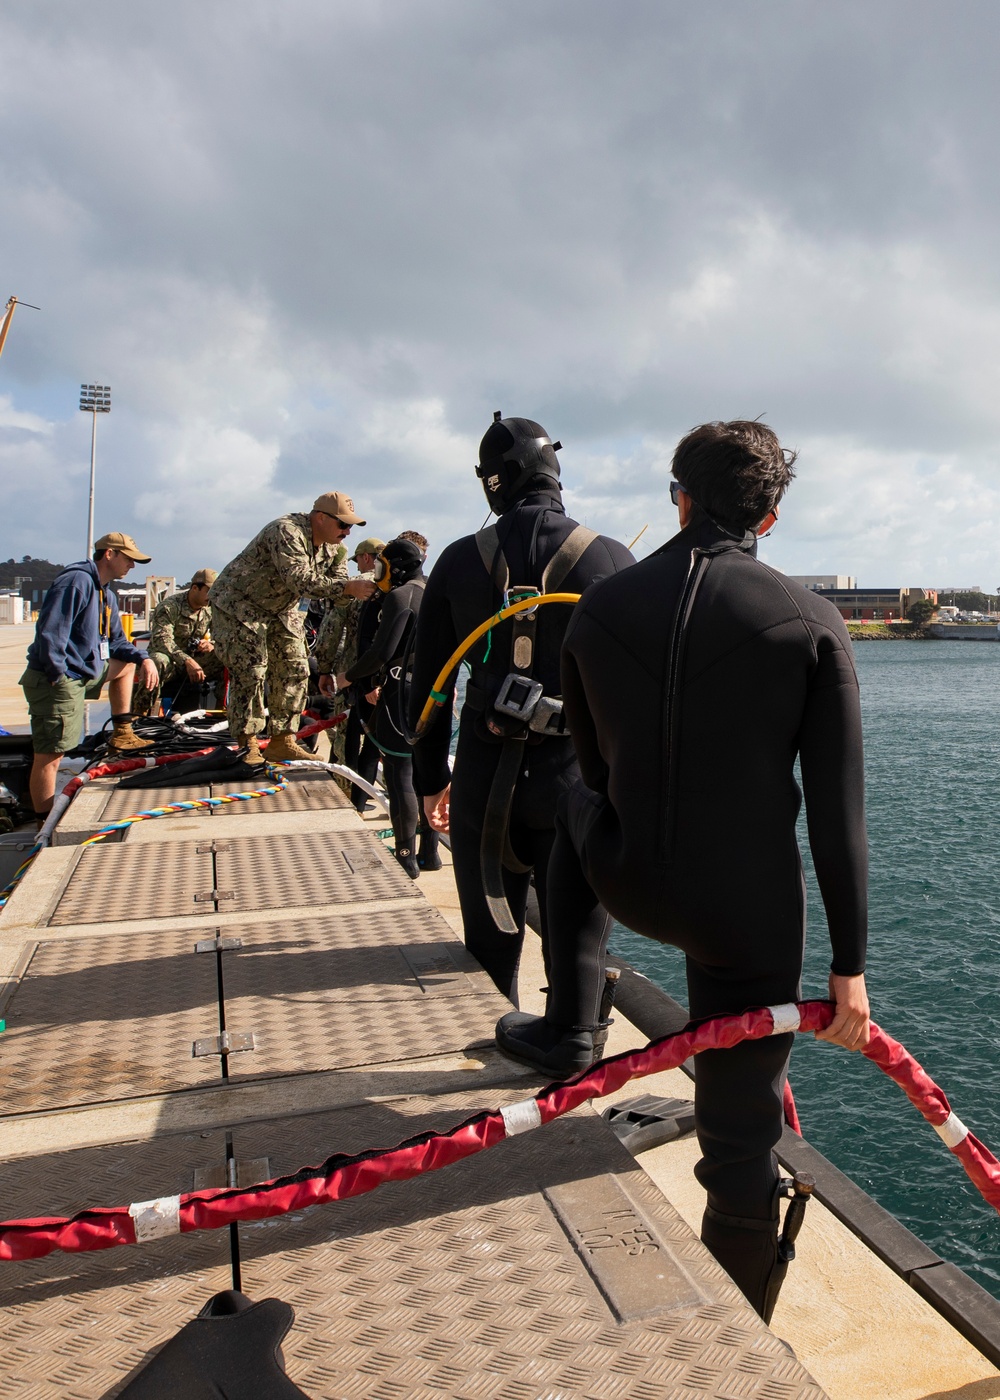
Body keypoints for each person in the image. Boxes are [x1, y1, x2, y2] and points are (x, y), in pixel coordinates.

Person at [495, 419, 871, 1321]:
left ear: (680, 496)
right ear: (771, 519)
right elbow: (835, 818)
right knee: (739, 1133)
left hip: (621, 875)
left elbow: (591, 767)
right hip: (738, 917)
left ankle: (570, 1019)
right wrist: (848, 972)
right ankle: (740, 1300)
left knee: (576, 810)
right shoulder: (810, 624)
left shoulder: (599, 609)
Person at [409, 414, 633, 999]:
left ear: (493, 481)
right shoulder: (608, 558)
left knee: (487, 948)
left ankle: (496, 1042)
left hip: (484, 779)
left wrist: (431, 778)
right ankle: (573, 1052)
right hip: (577, 782)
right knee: (578, 944)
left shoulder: (458, 562)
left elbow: (428, 682)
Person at [209, 493, 376, 763]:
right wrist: (346, 588)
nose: (347, 532)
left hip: (280, 608)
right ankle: (247, 743)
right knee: (251, 669)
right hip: (239, 605)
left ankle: (282, 740)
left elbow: (337, 591)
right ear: (320, 517)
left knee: (296, 668)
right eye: (342, 525)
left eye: (351, 527)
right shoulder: (286, 531)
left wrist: (351, 589)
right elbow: (300, 579)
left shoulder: (336, 549)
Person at [20, 531, 159, 817]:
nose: (131, 566)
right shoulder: (77, 581)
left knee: (126, 666)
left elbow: (118, 642)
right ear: (109, 554)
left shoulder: (106, 592)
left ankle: (123, 731)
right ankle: (44, 823)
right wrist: (58, 676)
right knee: (51, 754)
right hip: (58, 678)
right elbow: (51, 634)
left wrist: (144, 658)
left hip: (81, 672)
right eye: (129, 559)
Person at [325, 537, 429, 876]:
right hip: (433, 694)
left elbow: (380, 652)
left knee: (401, 773)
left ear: (396, 567)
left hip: (400, 691)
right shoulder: (436, 592)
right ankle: (431, 852)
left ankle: (406, 856)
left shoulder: (400, 596)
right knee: (427, 772)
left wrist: (347, 678)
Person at [313, 537, 384, 797]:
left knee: (346, 738)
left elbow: (330, 632)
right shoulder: (394, 586)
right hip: (385, 676)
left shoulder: (353, 588)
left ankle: (345, 795)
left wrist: (323, 669)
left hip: (350, 675)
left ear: (366, 557)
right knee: (375, 739)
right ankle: (364, 796)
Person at [132, 568, 225, 715]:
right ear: (195, 588)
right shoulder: (169, 607)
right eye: (209, 591)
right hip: (171, 661)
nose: (213, 596)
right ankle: (140, 712)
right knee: (157, 661)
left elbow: (220, 636)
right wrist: (187, 661)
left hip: (195, 661)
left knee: (225, 656)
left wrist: (211, 645)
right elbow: (162, 640)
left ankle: (221, 710)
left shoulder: (210, 608)